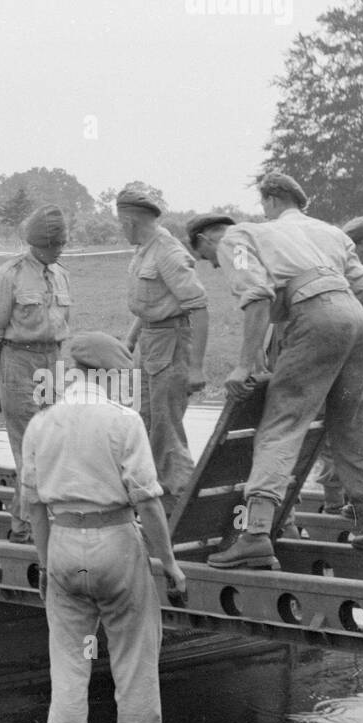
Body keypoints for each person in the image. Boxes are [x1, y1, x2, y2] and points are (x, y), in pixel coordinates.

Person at [188, 175, 363, 566]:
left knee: (281, 425)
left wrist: (246, 364)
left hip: (313, 314)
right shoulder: (329, 233)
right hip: (355, 319)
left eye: (264, 204)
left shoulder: (237, 237)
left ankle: (256, 533)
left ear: (271, 200)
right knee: (351, 433)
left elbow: (255, 294)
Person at [20, 331, 187, 723]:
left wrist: (43, 562)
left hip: (62, 541)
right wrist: (168, 563)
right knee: (134, 653)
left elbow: (33, 506)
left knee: (69, 658)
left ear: (73, 371)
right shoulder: (124, 420)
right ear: (108, 375)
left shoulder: (41, 423)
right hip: (115, 539)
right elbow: (148, 502)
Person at [0, 205, 72, 543]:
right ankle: (26, 528)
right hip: (18, 363)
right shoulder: (9, 276)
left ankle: (28, 523)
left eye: (62, 243)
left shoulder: (61, 274)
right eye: (53, 244)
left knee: (51, 446)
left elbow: (63, 327)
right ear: (38, 243)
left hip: (52, 361)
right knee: (29, 450)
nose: (59, 249)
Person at [116, 182, 208, 510]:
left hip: (171, 343)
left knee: (166, 427)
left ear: (130, 222)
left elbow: (197, 306)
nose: (121, 228)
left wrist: (196, 367)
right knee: (146, 421)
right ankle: (158, 500)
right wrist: (130, 339)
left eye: (121, 223)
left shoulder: (167, 252)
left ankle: (183, 501)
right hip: (153, 342)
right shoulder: (145, 250)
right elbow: (149, 302)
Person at [312, 217, 363, 511]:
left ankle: (358, 493)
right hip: (332, 366)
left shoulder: (362, 284)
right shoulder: (330, 280)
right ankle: (334, 506)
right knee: (332, 437)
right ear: (350, 248)